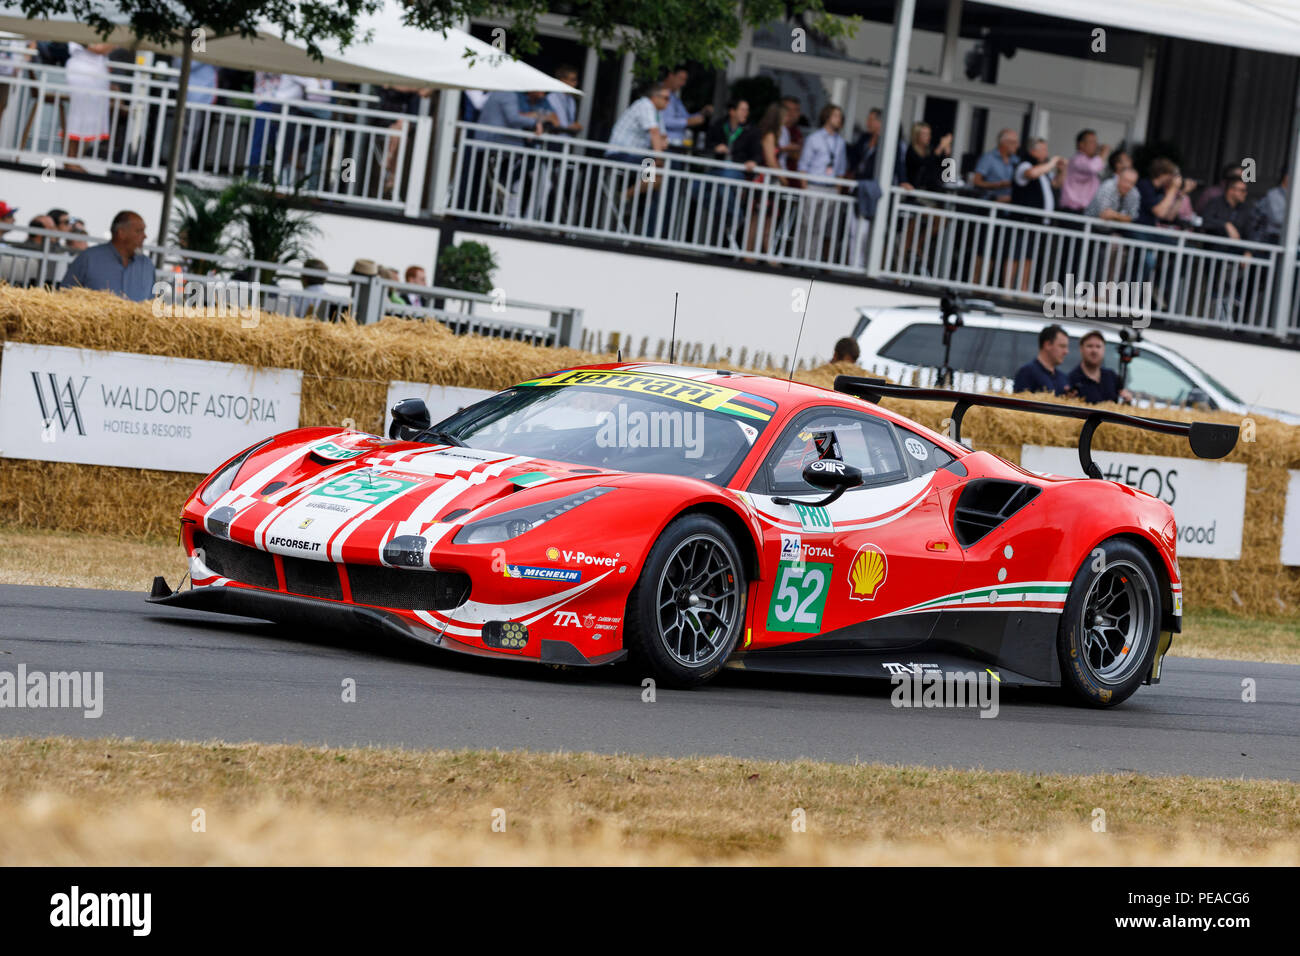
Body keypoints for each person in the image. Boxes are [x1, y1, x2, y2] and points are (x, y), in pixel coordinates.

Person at [1008, 138, 1065, 290]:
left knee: (1028, 258)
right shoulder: (1025, 164)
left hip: (1037, 222)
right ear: (1033, 151)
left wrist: (1060, 170)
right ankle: (1006, 289)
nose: (1046, 153)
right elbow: (1031, 174)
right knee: (1015, 255)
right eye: (1044, 150)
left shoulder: (1043, 170)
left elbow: (1057, 184)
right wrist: (1052, 163)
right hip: (1023, 220)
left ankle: (1023, 289)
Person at [62, 210, 153, 302]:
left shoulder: (147, 266)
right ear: (121, 233)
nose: (145, 236)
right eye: (139, 231)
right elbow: (64, 295)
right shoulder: (89, 258)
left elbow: (151, 303)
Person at [797, 103, 849, 260]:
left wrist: (838, 190)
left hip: (830, 189)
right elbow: (803, 165)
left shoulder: (840, 142)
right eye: (835, 115)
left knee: (820, 228)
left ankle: (811, 259)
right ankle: (799, 257)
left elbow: (840, 169)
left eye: (840, 116)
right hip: (813, 186)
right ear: (827, 117)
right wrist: (805, 188)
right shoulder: (814, 138)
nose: (839, 119)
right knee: (807, 225)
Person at [606, 83, 671, 201]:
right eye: (666, 98)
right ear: (655, 97)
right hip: (620, 154)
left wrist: (660, 150)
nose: (668, 102)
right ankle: (624, 197)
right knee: (656, 174)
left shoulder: (657, 112)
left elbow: (662, 137)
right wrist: (659, 158)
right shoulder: (645, 105)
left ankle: (628, 197)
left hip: (636, 155)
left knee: (659, 175)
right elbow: (655, 133)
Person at [63, 42, 114, 159]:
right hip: (84, 75)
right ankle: (71, 158)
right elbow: (98, 48)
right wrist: (118, 42)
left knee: (87, 122)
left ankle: (75, 158)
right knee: (79, 118)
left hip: (92, 75)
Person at [1068, 331, 1132, 404]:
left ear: (1104, 350)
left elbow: (1121, 405)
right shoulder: (1072, 379)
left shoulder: (1112, 377)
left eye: (1098, 346)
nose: (1094, 350)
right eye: (1090, 346)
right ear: (1081, 349)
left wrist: (1127, 401)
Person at [1012, 324, 1072, 396]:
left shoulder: (1063, 378)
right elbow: (1019, 404)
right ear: (1047, 345)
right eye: (1062, 346)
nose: (1066, 352)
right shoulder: (1027, 373)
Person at [1059, 129, 1109, 213]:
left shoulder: (1090, 160)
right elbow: (1093, 167)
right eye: (1092, 142)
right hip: (1072, 210)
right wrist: (1103, 154)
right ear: (1081, 144)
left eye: (1096, 142)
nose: (1096, 145)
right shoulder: (1078, 159)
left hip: (1085, 210)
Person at [660, 65, 711, 148]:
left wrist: (702, 113)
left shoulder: (675, 98)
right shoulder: (658, 93)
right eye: (681, 79)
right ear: (671, 76)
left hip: (677, 145)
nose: (683, 83)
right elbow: (663, 121)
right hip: (664, 144)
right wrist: (687, 122)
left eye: (685, 80)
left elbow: (686, 117)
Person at [1200, 174, 1253, 241]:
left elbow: (1250, 231)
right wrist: (1225, 225)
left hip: (1237, 249)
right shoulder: (1215, 203)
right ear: (1231, 190)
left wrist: (1249, 250)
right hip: (1214, 247)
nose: (1245, 193)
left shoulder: (1246, 208)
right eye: (1242, 190)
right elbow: (1206, 221)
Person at [971, 128, 1019, 201]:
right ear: (1003, 143)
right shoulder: (988, 158)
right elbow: (976, 181)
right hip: (991, 202)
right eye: (1013, 142)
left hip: (1012, 204)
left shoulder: (1016, 160)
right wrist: (998, 185)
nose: (1017, 145)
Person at [1250, 174, 1288, 245]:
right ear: (1286, 177)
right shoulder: (1273, 194)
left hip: (1290, 237)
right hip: (1272, 237)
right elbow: (1277, 219)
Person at [545, 64, 582, 136]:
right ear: (562, 80)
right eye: (572, 80)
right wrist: (569, 127)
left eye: (575, 80)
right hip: (553, 140)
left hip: (566, 139)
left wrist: (575, 126)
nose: (575, 83)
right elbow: (550, 122)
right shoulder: (551, 97)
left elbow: (569, 121)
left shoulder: (571, 100)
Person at [778, 96, 804, 174]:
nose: (792, 114)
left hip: (792, 178)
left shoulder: (797, 133)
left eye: (796, 110)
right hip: (777, 175)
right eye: (788, 109)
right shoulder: (774, 129)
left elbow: (800, 156)